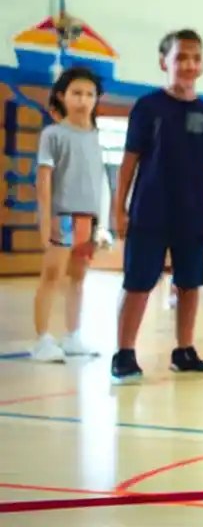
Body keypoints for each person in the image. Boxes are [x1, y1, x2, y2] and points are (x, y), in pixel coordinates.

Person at [110, 29, 203, 384]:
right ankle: (125, 353)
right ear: (165, 62)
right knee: (138, 283)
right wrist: (119, 210)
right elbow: (129, 162)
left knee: (189, 284)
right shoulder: (147, 108)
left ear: (202, 64)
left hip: (192, 215)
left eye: (195, 58)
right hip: (148, 212)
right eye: (180, 58)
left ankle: (184, 350)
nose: (188, 64)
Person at [30, 66, 107, 363]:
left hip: (87, 219)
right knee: (51, 276)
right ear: (62, 96)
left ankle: (73, 334)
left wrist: (103, 223)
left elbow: (100, 181)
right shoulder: (53, 134)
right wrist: (46, 219)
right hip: (61, 215)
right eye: (76, 93)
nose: (83, 100)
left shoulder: (96, 137)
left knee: (78, 278)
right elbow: (44, 180)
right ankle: (42, 339)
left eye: (90, 94)